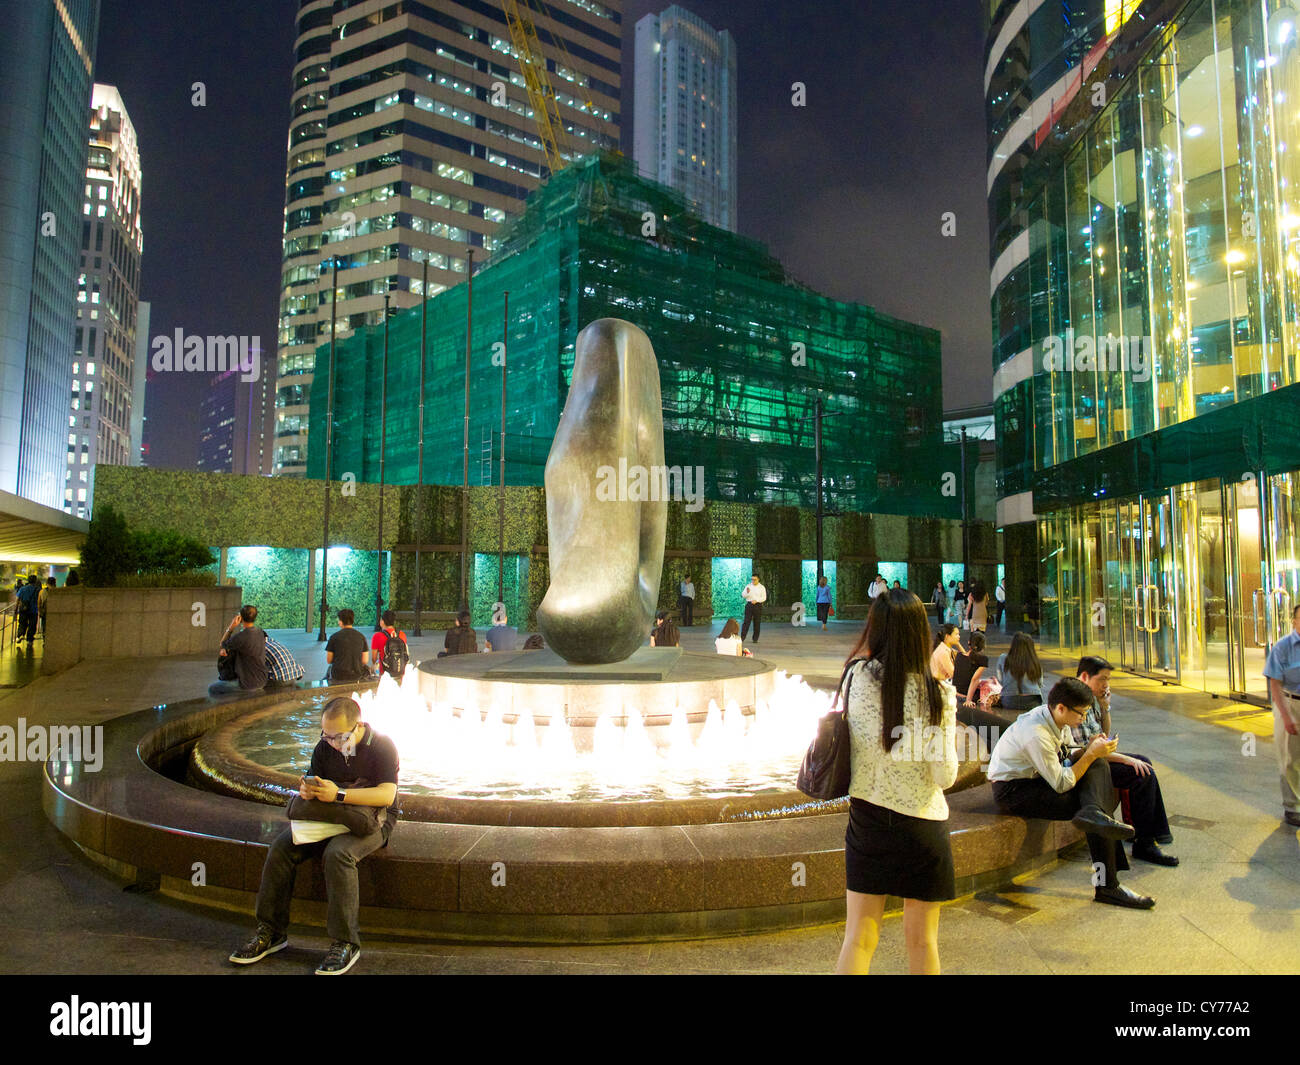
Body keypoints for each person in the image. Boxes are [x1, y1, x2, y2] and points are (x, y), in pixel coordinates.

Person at [836, 588, 958, 975]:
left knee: (858, 938)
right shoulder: (937, 695)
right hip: (922, 825)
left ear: (875, 628)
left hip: (868, 821)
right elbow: (945, 775)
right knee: (922, 941)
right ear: (921, 633)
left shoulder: (854, 677)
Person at [229, 695, 399, 975]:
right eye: (326, 735)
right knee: (281, 847)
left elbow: (387, 795)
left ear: (358, 727)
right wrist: (307, 790)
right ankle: (271, 931)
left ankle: (345, 942)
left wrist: (339, 794)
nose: (333, 743)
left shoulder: (381, 745)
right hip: (332, 816)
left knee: (339, 854)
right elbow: (313, 779)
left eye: (339, 737)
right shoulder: (324, 747)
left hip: (374, 819)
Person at [988, 677, 1153, 909]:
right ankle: (1107, 886)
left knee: (1097, 778)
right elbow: (1061, 783)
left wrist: (1091, 749)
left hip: (1038, 779)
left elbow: (1070, 753)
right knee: (1093, 806)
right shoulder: (1036, 733)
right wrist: (1090, 754)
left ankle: (1105, 875)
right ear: (1061, 708)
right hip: (1014, 791)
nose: (1083, 718)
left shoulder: (1057, 720)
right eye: (1081, 713)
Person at [1075, 656, 1177, 865]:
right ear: (1085, 676)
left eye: (1108, 679)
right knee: (1140, 773)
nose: (1106, 684)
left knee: (1143, 763)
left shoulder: (1090, 698)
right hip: (1085, 765)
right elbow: (1085, 750)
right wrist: (1127, 759)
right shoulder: (1075, 699)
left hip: (1096, 759)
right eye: (1102, 679)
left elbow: (1103, 735)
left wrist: (1104, 707)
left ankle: (1150, 834)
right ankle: (1145, 843)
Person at [1264, 603, 1300, 828]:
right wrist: (1287, 717)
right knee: (1290, 759)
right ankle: (1292, 807)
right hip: (1291, 703)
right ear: (1294, 621)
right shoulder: (1283, 647)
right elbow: (1275, 684)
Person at [209, 606, 269, 694]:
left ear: (240, 617)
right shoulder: (260, 632)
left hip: (248, 684)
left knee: (212, 689)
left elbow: (222, 643)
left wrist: (231, 627)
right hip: (262, 680)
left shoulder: (240, 637)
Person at [996, 631, 1044, 712]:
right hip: (1033, 701)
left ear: (1013, 645)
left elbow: (1000, 680)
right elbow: (1040, 683)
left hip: (1009, 701)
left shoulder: (1003, 658)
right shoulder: (1035, 661)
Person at [325, 608, 370, 682]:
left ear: (341, 621)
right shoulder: (361, 637)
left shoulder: (334, 637)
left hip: (338, 675)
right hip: (356, 675)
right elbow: (365, 660)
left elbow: (329, 660)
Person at [370, 609, 409, 679]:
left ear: (382, 621)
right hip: (401, 672)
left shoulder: (377, 636)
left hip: (384, 673)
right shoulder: (402, 634)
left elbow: (374, 658)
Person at [740, 574, 766, 644]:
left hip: (757, 605)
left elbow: (764, 598)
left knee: (757, 622)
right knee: (746, 622)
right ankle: (742, 638)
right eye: (752, 579)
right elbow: (743, 595)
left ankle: (755, 638)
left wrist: (756, 600)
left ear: (758, 579)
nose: (753, 581)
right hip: (749, 605)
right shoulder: (748, 586)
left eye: (755, 579)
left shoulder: (762, 587)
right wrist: (747, 592)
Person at [16, 574, 40, 643]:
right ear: (35, 581)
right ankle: (29, 639)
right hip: (34, 610)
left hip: (23, 609)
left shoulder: (22, 589)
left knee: (22, 623)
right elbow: (40, 600)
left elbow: (17, 599)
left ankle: (20, 635)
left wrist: (16, 609)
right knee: (32, 625)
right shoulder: (38, 590)